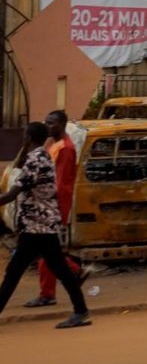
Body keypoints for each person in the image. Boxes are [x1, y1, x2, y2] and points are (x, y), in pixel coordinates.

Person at [0, 121, 91, 328]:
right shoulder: (40, 156)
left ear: (28, 138)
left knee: (14, 272)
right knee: (61, 270)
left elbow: (13, 193)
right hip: (41, 225)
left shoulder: (37, 159)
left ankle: (81, 311)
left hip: (37, 227)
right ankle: (81, 311)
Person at [23, 109, 90, 308]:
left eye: (51, 123)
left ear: (61, 124)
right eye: (46, 122)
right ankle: (74, 271)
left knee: (46, 251)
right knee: (48, 250)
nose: (47, 126)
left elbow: (61, 183)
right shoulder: (54, 144)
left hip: (54, 206)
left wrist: (51, 208)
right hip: (49, 205)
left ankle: (48, 292)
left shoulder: (66, 148)